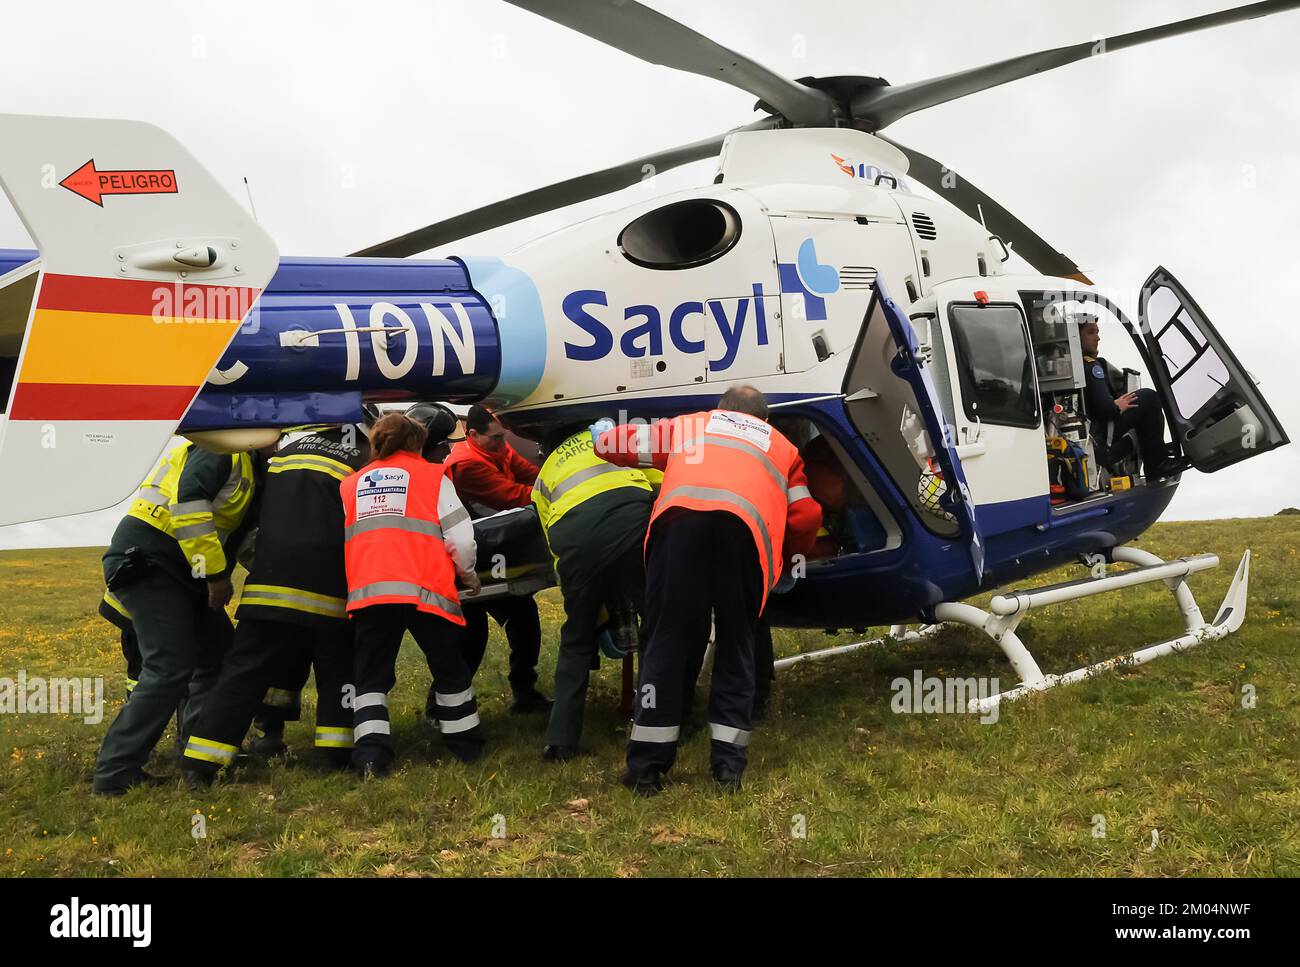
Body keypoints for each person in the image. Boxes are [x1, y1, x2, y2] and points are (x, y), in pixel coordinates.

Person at [594, 385, 822, 795]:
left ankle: (646, 770)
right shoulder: (782, 447)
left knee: (667, 643)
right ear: (764, 418)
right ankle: (727, 771)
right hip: (745, 540)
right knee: (738, 645)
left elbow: (617, 445)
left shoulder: (691, 426)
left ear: (721, 409)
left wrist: (602, 433)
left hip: (678, 533)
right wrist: (791, 557)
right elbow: (806, 515)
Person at [180, 422, 372, 787]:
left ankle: (200, 763)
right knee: (337, 672)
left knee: (243, 673)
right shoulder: (361, 462)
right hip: (329, 592)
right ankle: (333, 756)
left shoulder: (281, 456)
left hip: (266, 588)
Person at [92, 439, 260, 796]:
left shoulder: (249, 465)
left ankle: (196, 755)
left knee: (220, 654)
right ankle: (115, 773)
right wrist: (215, 575)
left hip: (183, 572)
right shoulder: (222, 446)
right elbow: (189, 504)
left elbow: (237, 537)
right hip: (153, 563)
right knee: (169, 667)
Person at [341, 413, 481, 778]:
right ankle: (465, 747)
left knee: (370, 677)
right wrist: (469, 576)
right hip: (424, 589)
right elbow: (461, 538)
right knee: (449, 667)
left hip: (370, 591)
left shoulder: (350, 484)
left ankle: (371, 757)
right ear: (417, 442)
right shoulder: (434, 476)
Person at [530, 424, 654, 761]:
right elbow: (662, 482)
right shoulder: (615, 439)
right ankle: (663, 720)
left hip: (574, 542)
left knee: (576, 640)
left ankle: (560, 743)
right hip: (631, 524)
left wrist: (583, 603)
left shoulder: (544, 475)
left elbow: (552, 546)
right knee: (657, 626)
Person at [442, 404, 550, 713]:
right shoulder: (467, 465)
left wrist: (553, 479)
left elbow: (532, 475)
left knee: (524, 617)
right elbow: (514, 495)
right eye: (497, 439)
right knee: (472, 637)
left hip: (492, 551)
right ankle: (444, 707)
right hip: (469, 561)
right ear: (472, 435)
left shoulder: (495, 448)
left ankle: (524, 692)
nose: (504, 444)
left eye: (504, 437)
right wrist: (559, 491)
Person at [1077, 316, 1179, 479]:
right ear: (1076, 336)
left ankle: (1155, 456)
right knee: (1149, 397)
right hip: (1101, 442)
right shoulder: (1091, 366)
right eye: (1091, 332)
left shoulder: (1074, 367)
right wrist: (1116, 405)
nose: (1097, 337)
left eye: (1097, 332)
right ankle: (1157, 464)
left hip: (1092, 439)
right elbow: (1106, 408)